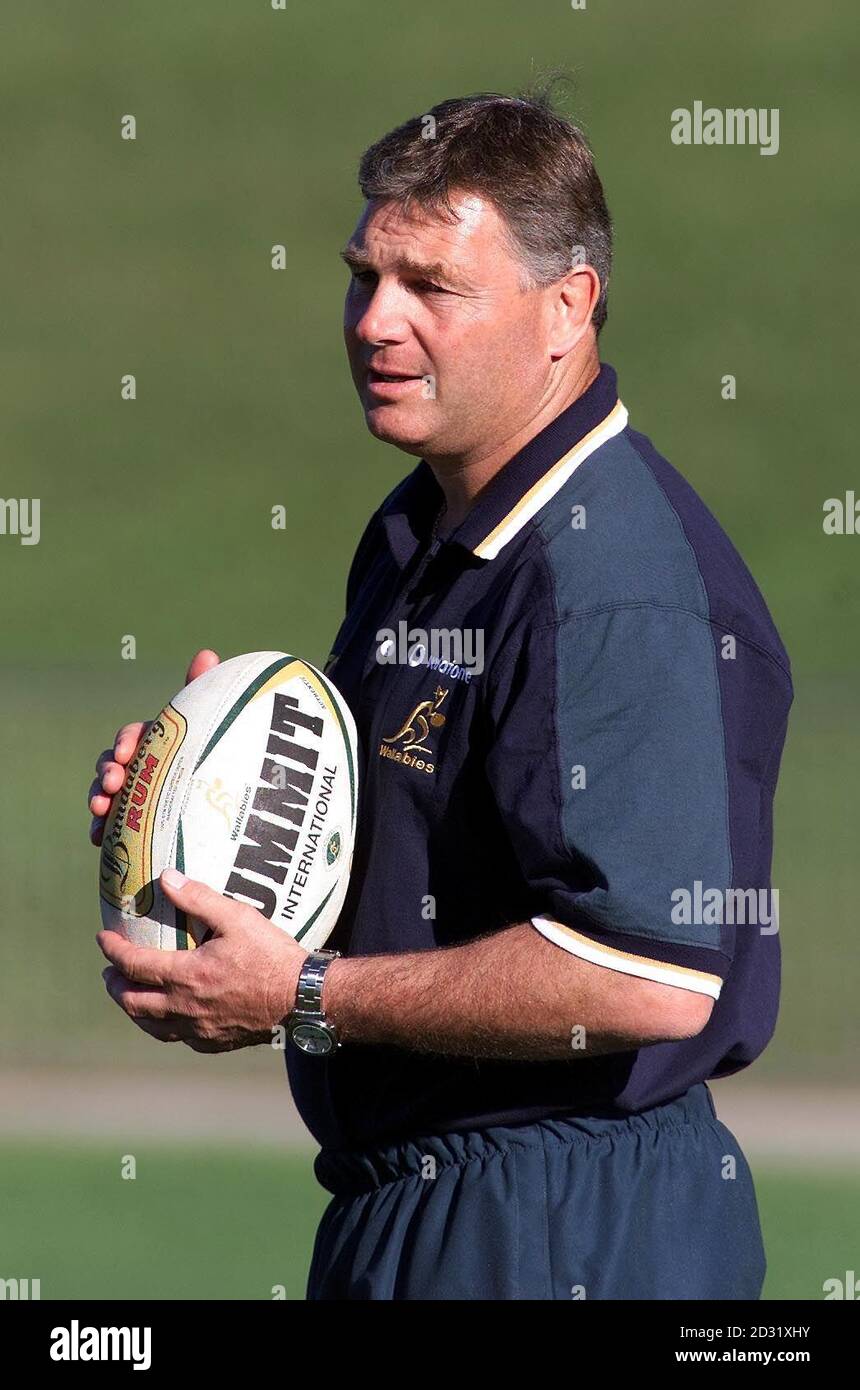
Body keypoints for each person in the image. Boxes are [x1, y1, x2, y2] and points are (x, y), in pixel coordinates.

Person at [89, 89, 793, 1300]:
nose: (376, 322)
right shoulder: (423, 528)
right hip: (423, 1204)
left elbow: (647, 974)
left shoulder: (609, 576)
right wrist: (201, 813)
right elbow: (406, 849)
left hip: (566, 1230)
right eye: (364, 276)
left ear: (565, 307)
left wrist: (304, 993)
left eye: (431, 286)